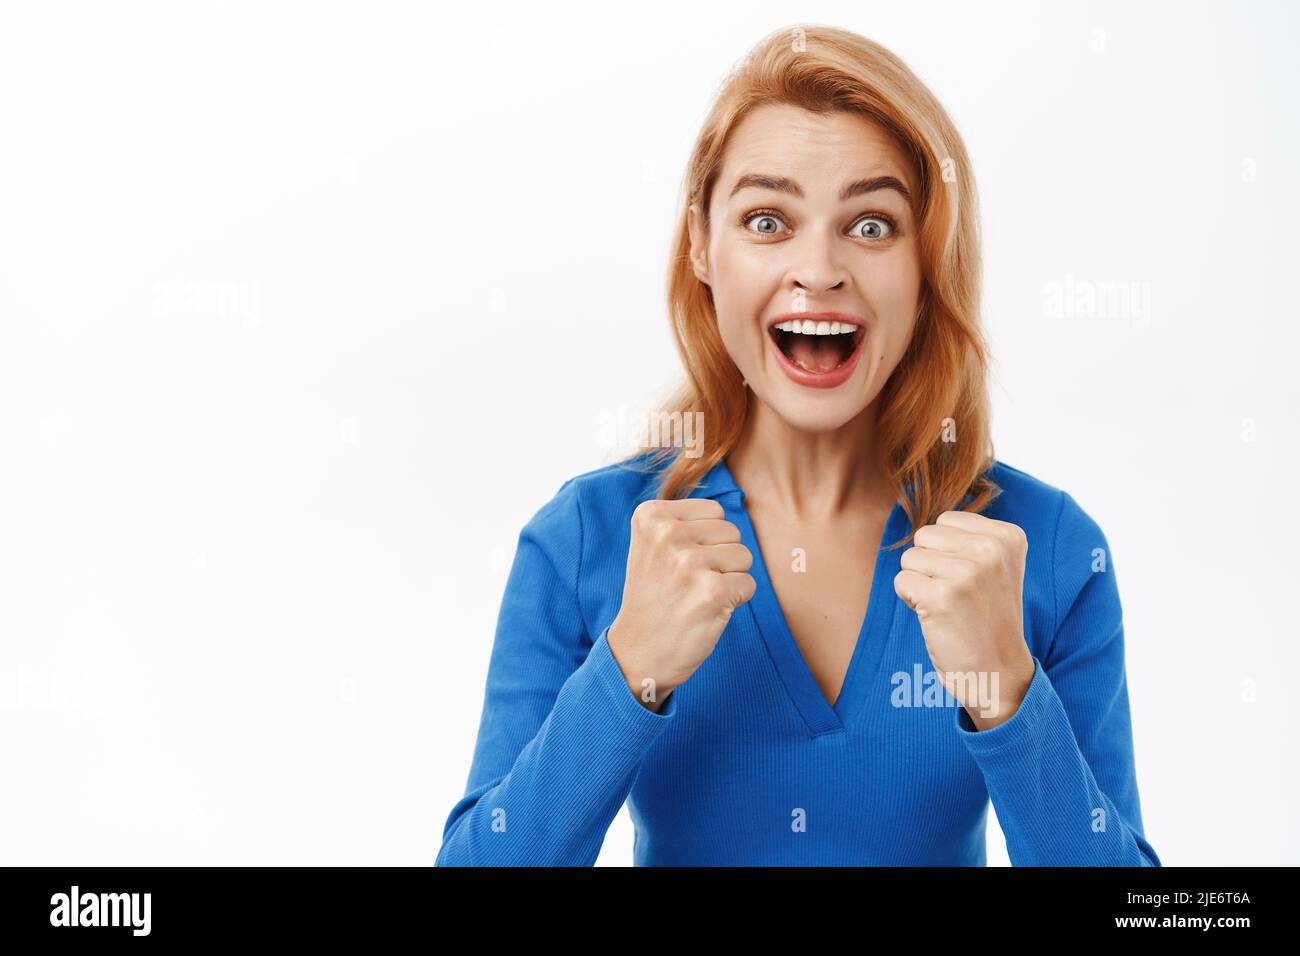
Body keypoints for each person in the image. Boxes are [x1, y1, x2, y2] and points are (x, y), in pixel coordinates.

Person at [435, 23, 1160, 866]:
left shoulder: (1053, 549)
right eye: (769, 219)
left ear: (928, 264)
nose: (818, 269)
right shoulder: (587, 538)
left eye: (873, 226)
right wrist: (627, 668)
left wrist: (1009, 695)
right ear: (703, 245)